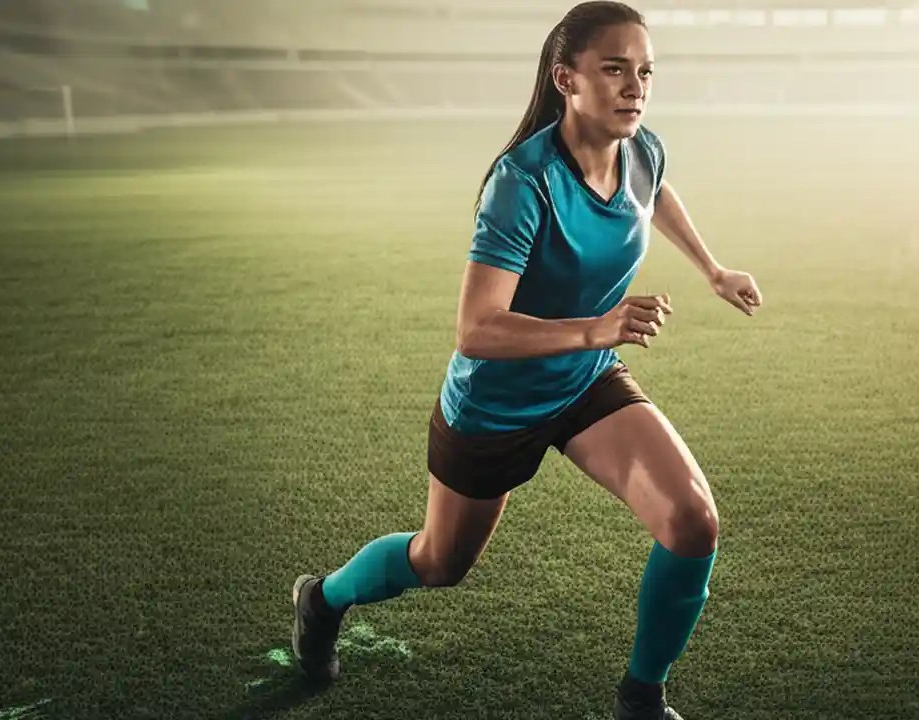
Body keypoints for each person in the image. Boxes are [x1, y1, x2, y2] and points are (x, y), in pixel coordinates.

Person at [290, 3, 763, 718]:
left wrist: (712, 268)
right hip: (496, 403)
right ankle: (321, 598)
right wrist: (594, 328)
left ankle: (641, 698)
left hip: (582, 380)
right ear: (565, 78)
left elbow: (655, 192)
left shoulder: (643, 149)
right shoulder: (523, 181)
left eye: (645, 72)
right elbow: (477, 329)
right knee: (440, 563)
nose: (634, 87)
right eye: (614, 70)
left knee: (693, 520)